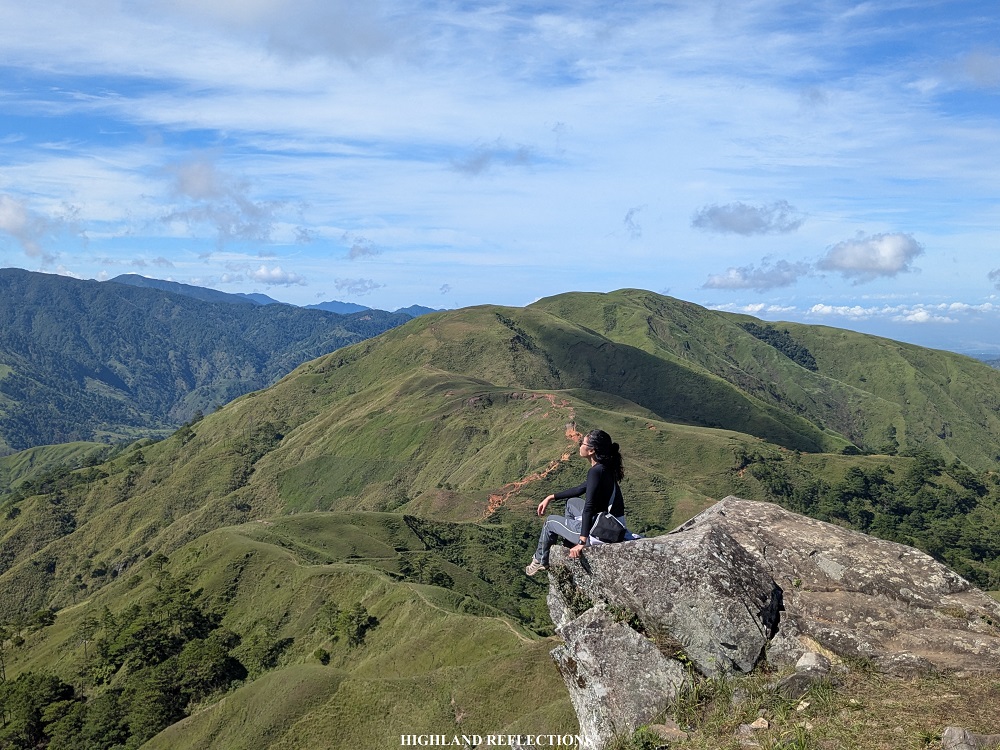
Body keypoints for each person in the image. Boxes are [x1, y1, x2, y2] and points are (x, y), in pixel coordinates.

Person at [525, 429, 633, 576]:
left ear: (591, 451)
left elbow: (589, 507)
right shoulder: (604, 468)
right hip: (611, 523)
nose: (579, 445)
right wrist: (550, 497)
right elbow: (580, 489)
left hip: (602, 532)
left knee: (550, 522)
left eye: (582, 443)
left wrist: (582, 542)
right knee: (572, 503)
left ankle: (540, 561)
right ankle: (569, 543)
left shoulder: (596, 471)